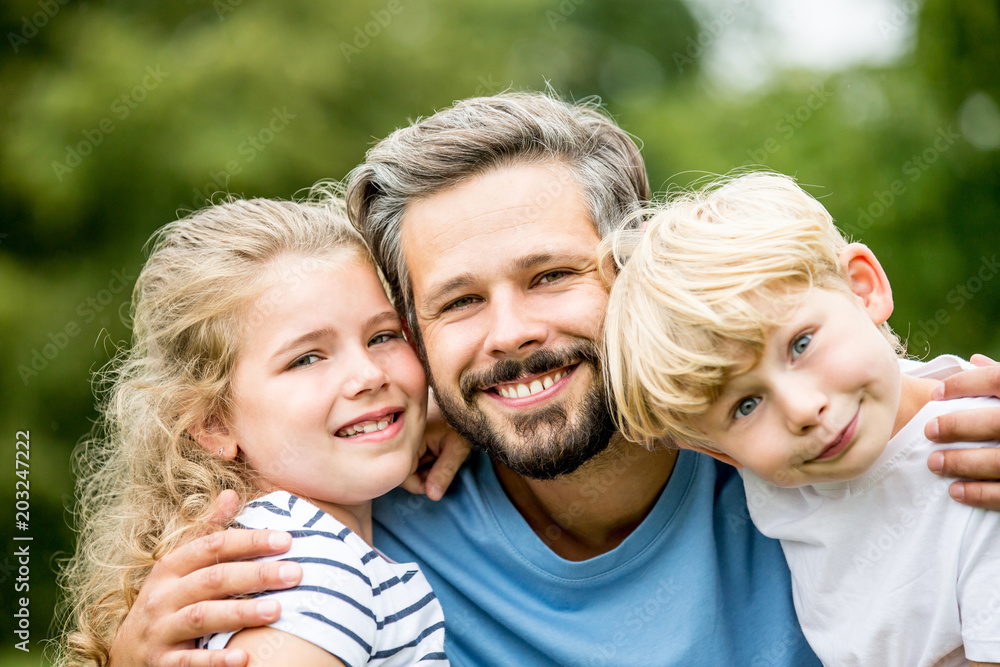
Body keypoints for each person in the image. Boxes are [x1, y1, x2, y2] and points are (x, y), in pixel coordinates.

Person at [107, 93, 1000, 667]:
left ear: (638, 272)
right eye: (457, 302)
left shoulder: (798, 447)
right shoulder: (373, 527)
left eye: (550, 277)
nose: (512, 334)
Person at [602, 172, 1000, 666]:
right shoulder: (783, 474)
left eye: (801, 344)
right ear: (720, 452)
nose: (802, 410)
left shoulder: (980, 466)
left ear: (863, 286)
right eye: (746, 405)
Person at [57, 195, 453, 666]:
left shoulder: (277, 546)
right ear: (213, 424)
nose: (368, 375)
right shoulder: (308, 572)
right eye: (306, 358)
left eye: (382, 336)